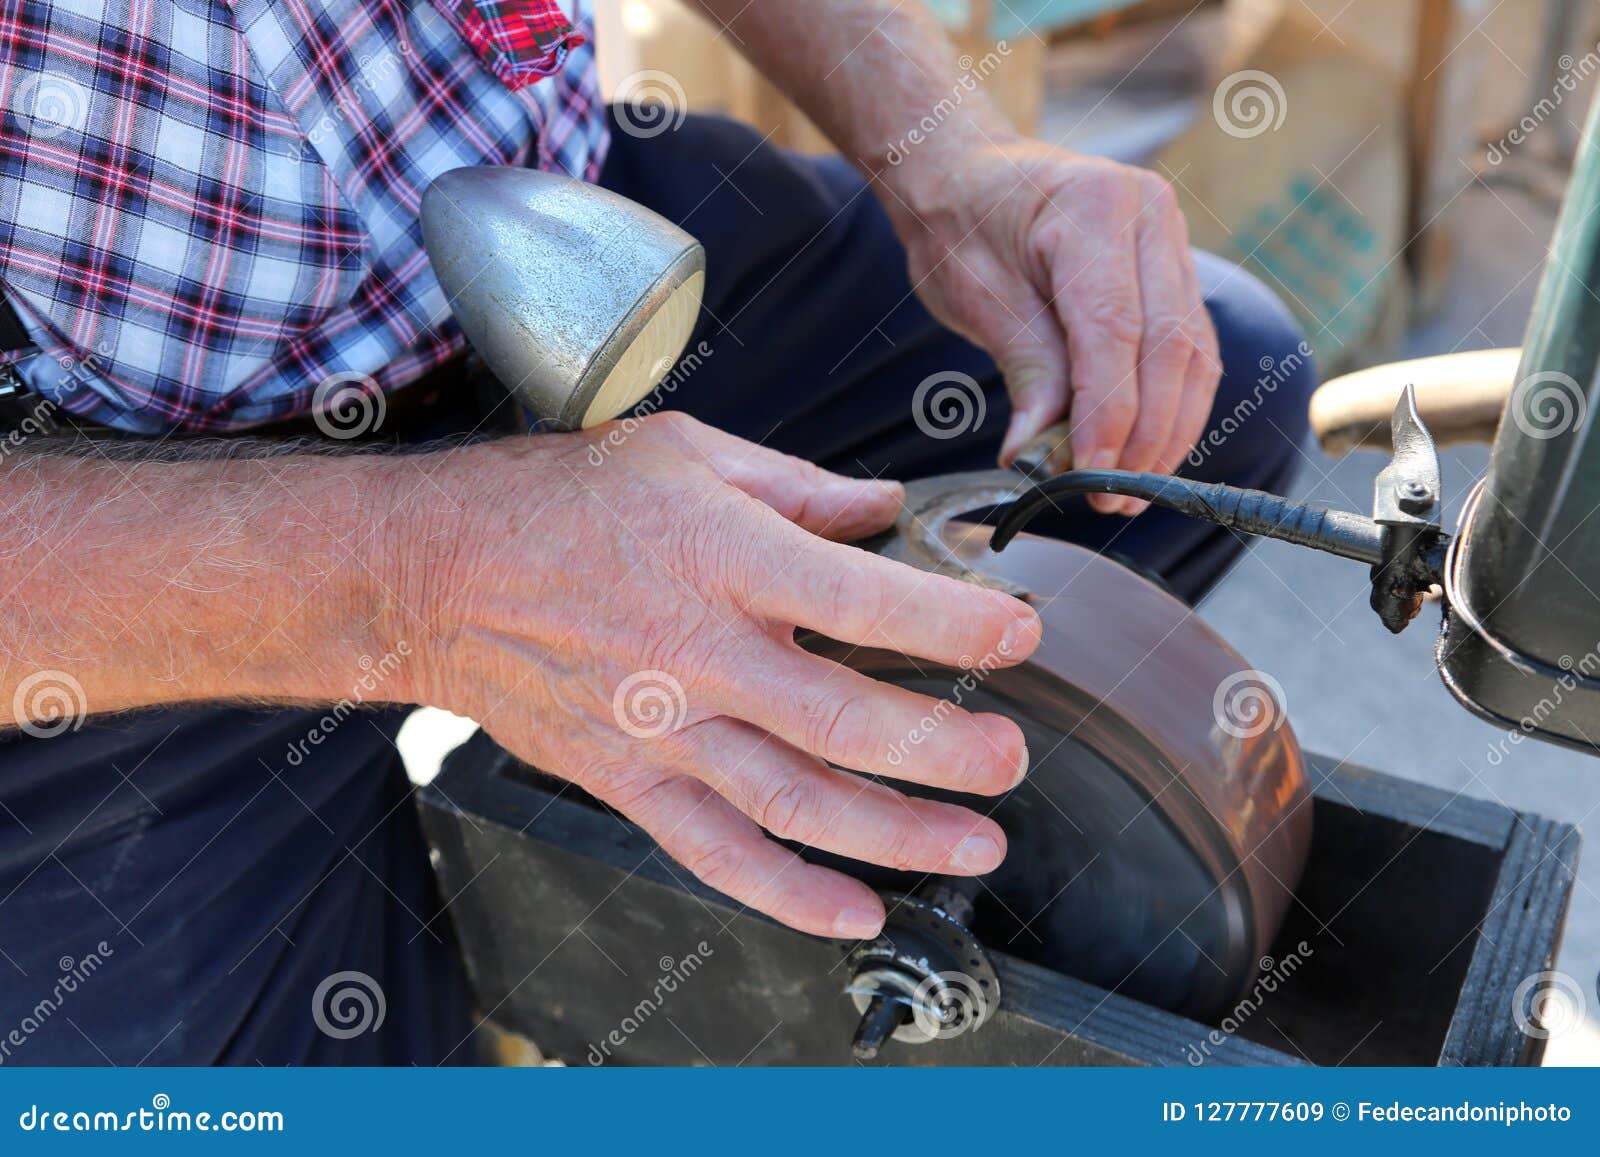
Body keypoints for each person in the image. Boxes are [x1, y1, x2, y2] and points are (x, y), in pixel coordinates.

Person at [0, 0, 1315, 1063]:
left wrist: (948, 157)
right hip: (100, 549)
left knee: (1188, 407)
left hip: (574, 255)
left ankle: (710, 884)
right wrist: (416, 581)